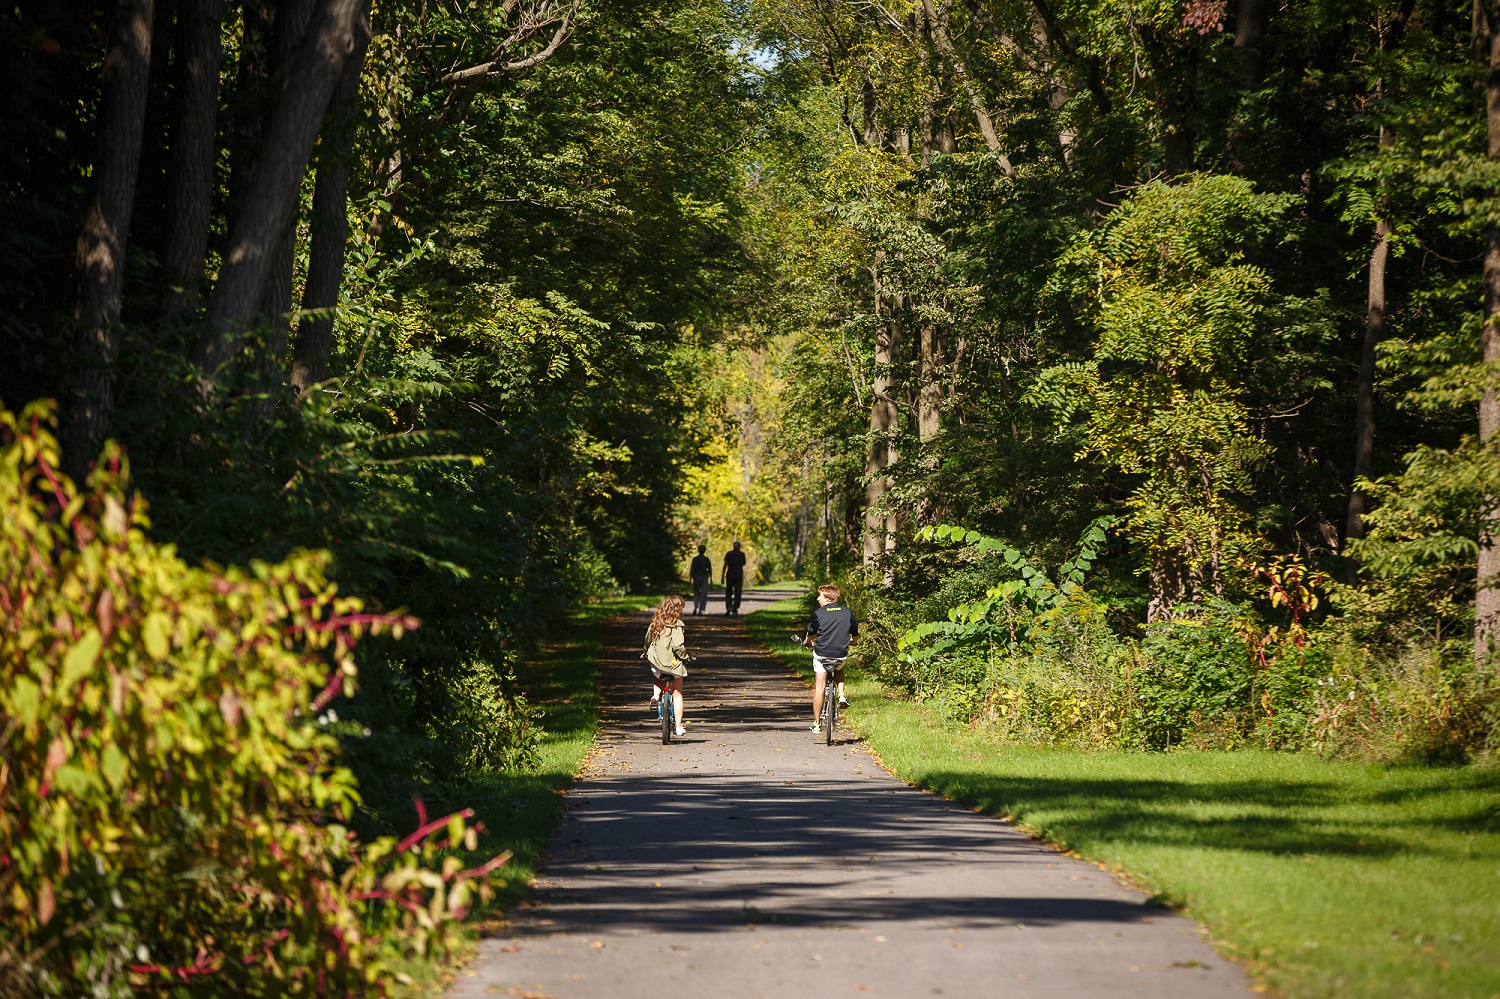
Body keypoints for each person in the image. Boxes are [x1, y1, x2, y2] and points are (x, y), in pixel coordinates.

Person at [801, 583, 856, 732]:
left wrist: (807, 642)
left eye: (820, 596)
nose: (818, 599)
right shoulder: (847, 612)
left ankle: (817, 724)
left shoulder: (819, 613)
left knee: (820, 686)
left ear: (827, 597)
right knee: (839, 666)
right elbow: (854, 633)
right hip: (840, 654)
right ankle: (842, 694)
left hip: (822, 654)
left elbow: (810, 632)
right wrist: (854, 642)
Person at [644, 594, 690, 737]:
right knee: (677, 694)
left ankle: (656, 696)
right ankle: (678, 726)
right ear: (678, 609)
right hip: (673, 666)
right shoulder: (677, 625)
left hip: (656, 665)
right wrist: (685, 657)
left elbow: (647, 641)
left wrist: (645, 652)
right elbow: (677, 646)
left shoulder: (655, 623)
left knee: (659, 678)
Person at [722, 540, 747, 615]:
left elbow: (725, 565)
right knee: (738, 592)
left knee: (728, 592)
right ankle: (735, 608)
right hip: (738, 575)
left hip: (730, 575)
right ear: (739, 547)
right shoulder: (742, 554)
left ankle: (729, 607)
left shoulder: (729, 554)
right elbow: (744, 563)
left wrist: (722, 576)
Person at [689, 544, 712, 615]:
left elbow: (692, 568)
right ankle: (701, 609)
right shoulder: (706, 559)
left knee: (696, 593)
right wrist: (711, 578)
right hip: (704, 577)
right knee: (703, 593)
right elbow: (709, 568)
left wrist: (690, 577)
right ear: (704, 551)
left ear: (698, 550)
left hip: (696, 577)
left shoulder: (695, 559)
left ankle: (695, 607)